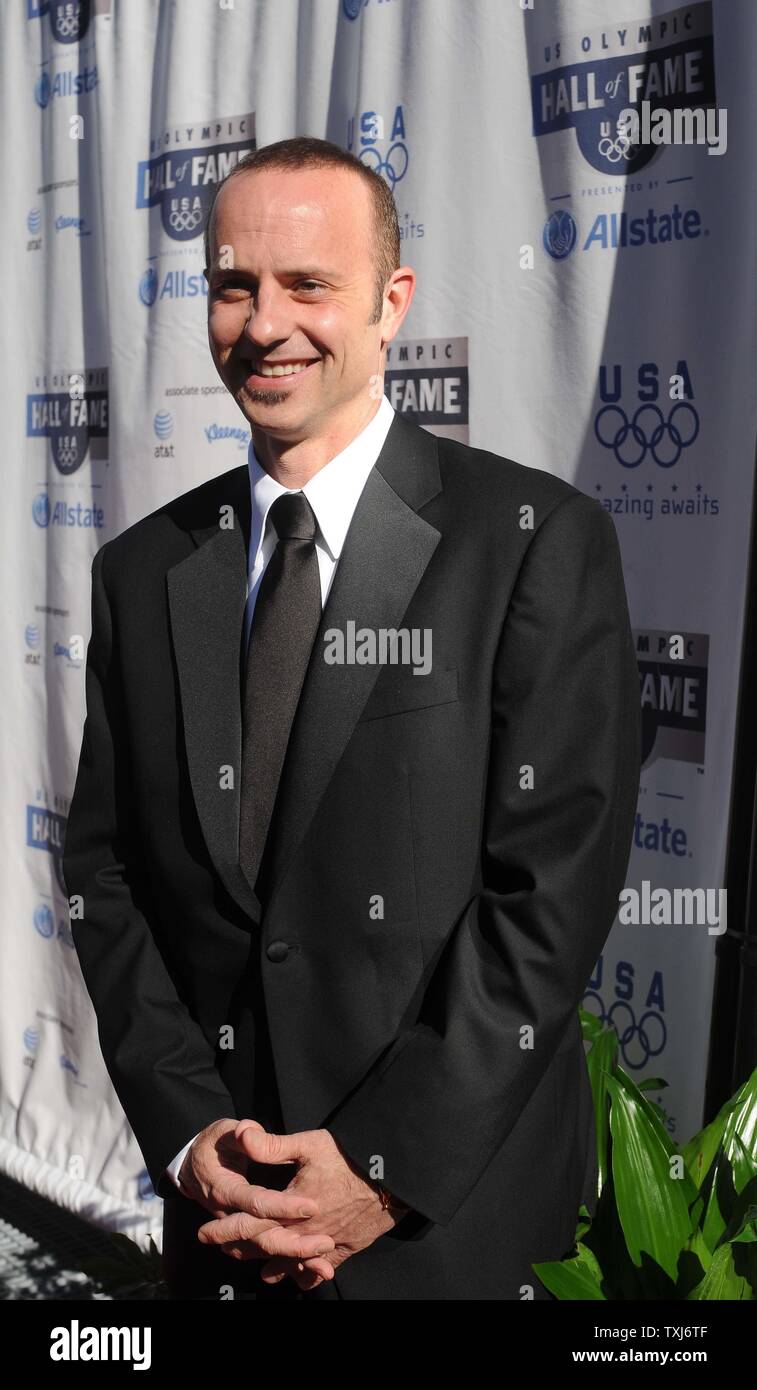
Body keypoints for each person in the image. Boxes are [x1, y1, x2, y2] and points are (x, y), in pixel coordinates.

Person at [62, 136, 641, 1301]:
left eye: (308, 284)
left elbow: (550, 897)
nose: (265, 323)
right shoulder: (143, 570)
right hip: (223, 1222)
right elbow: (107, 873)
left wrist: (380, 1168)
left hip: (444, 1233)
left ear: (391, 303)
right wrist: (191, 1134)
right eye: (234, 285)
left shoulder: (532, 544)